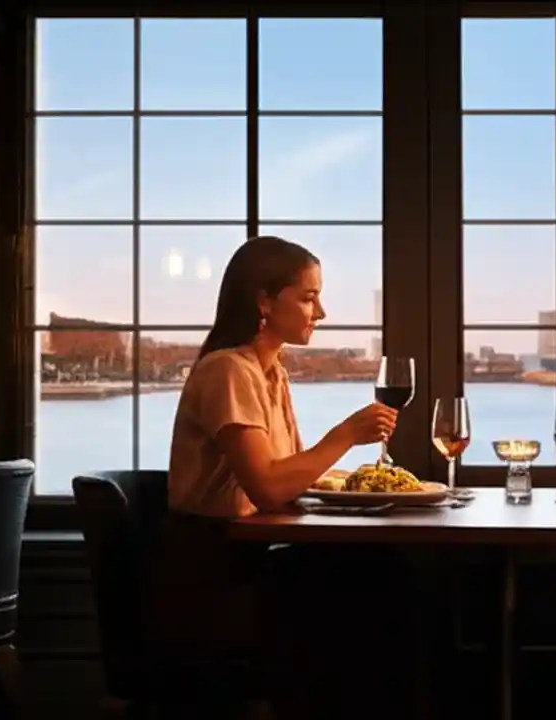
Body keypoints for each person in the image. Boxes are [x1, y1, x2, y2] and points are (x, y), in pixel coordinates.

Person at [147, 236, 403, 717]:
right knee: (378, 585)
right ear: (264, 301)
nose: (320, 312)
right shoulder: (228, 370)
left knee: (385, 571)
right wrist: (346, 435)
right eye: (308, 298)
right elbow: (268, 488)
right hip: (211, 570)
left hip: (247, 555)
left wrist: (362, 481)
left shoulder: (271, 372)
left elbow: (287, 472)